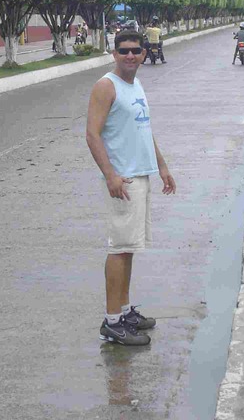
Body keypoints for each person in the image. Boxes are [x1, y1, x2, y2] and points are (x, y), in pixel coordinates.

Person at [86, 29, 177, 346]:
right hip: (122, 180)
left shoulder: (135, 84)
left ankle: (124, 311)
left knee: (129, 248)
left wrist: (162, 166)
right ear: (114, 53)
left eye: (135, 51)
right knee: (119, 248)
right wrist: (110, 175)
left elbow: (144, 130)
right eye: (123, 50)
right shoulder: (106, 86)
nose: (129, 56)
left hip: (141, 175)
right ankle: (112, 321)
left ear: (143, 53)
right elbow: (92, 135)